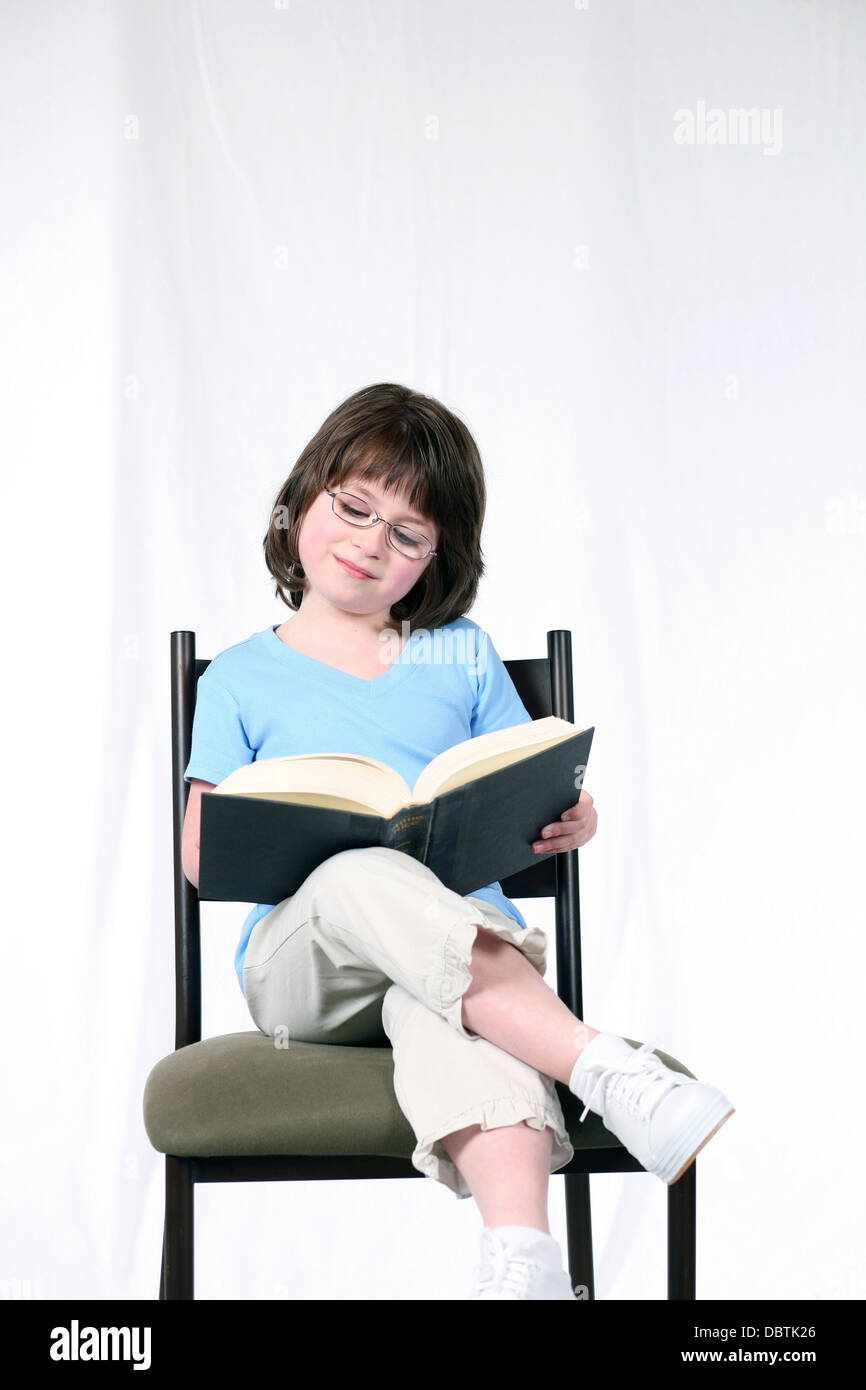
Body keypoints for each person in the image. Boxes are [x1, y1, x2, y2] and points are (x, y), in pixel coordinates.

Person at [181, 382, 734, 1301]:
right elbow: (203, 859)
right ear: (305, 497)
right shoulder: (239, 677)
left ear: (437, 560)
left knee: (456, 1018)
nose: (369, 543)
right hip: (305, 975)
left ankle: (525, 1269)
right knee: (366, 869)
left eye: (406, 534)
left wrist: (569, 821)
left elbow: (521, 797)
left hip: (450, 960)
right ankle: (603, 1066)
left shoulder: (461, 653)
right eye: (354, 509)